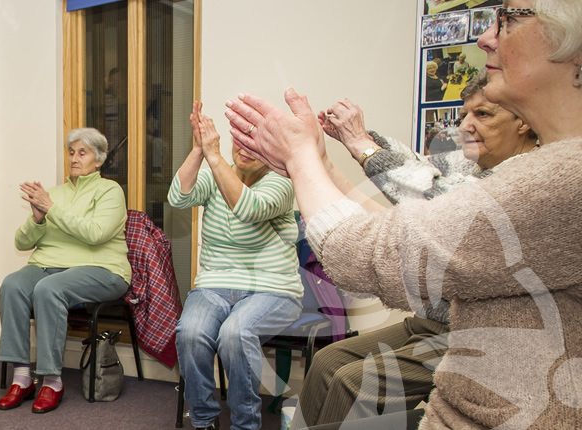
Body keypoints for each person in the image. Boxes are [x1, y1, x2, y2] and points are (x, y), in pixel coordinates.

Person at [225, 1, 582, 427]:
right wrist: (316, 164)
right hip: (471, 394)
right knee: (329, 368)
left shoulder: (560, 179)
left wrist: (303, 161)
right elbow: (397, 224)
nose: (487, 37)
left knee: (350, 382)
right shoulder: (544, 169)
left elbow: (378, 254)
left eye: (510, 20)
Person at [293, 73, 539, 427]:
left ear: (523, 121)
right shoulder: (474, 164)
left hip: (483, 335)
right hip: (437, 320)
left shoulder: (524, 177)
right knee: (328, 362)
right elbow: (418, 170)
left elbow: (443, 208)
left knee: (355, 382)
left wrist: (359, 145)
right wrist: (324, 161)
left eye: (483, 115)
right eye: (466, 114)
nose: (467, 126)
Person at [170, 102, 302, 430]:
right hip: (214, 284)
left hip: (273, 288)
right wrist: (200, 150)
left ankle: (245, 425)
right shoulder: (215, 174)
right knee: (190, 333)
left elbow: (248, 207)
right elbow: (178, 197)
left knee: (235, 332)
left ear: (271, 148)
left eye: (254, 141)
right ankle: (203, 420)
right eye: (240, 139)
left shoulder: (282, 182)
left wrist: (214, 157)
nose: (244, 148)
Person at [0, 127, 130, 414]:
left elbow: (95, 233)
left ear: (99, 159)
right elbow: (21, 242)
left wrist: (52, 209)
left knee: (49, 288)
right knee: (12, 285)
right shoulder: (53, 194)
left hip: (102, 269)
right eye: (71, 152)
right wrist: (37, 218)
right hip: (49, 265)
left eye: (83, 152)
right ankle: (22, 376)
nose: (74, 158)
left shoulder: (110, 191)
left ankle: (52, 381)